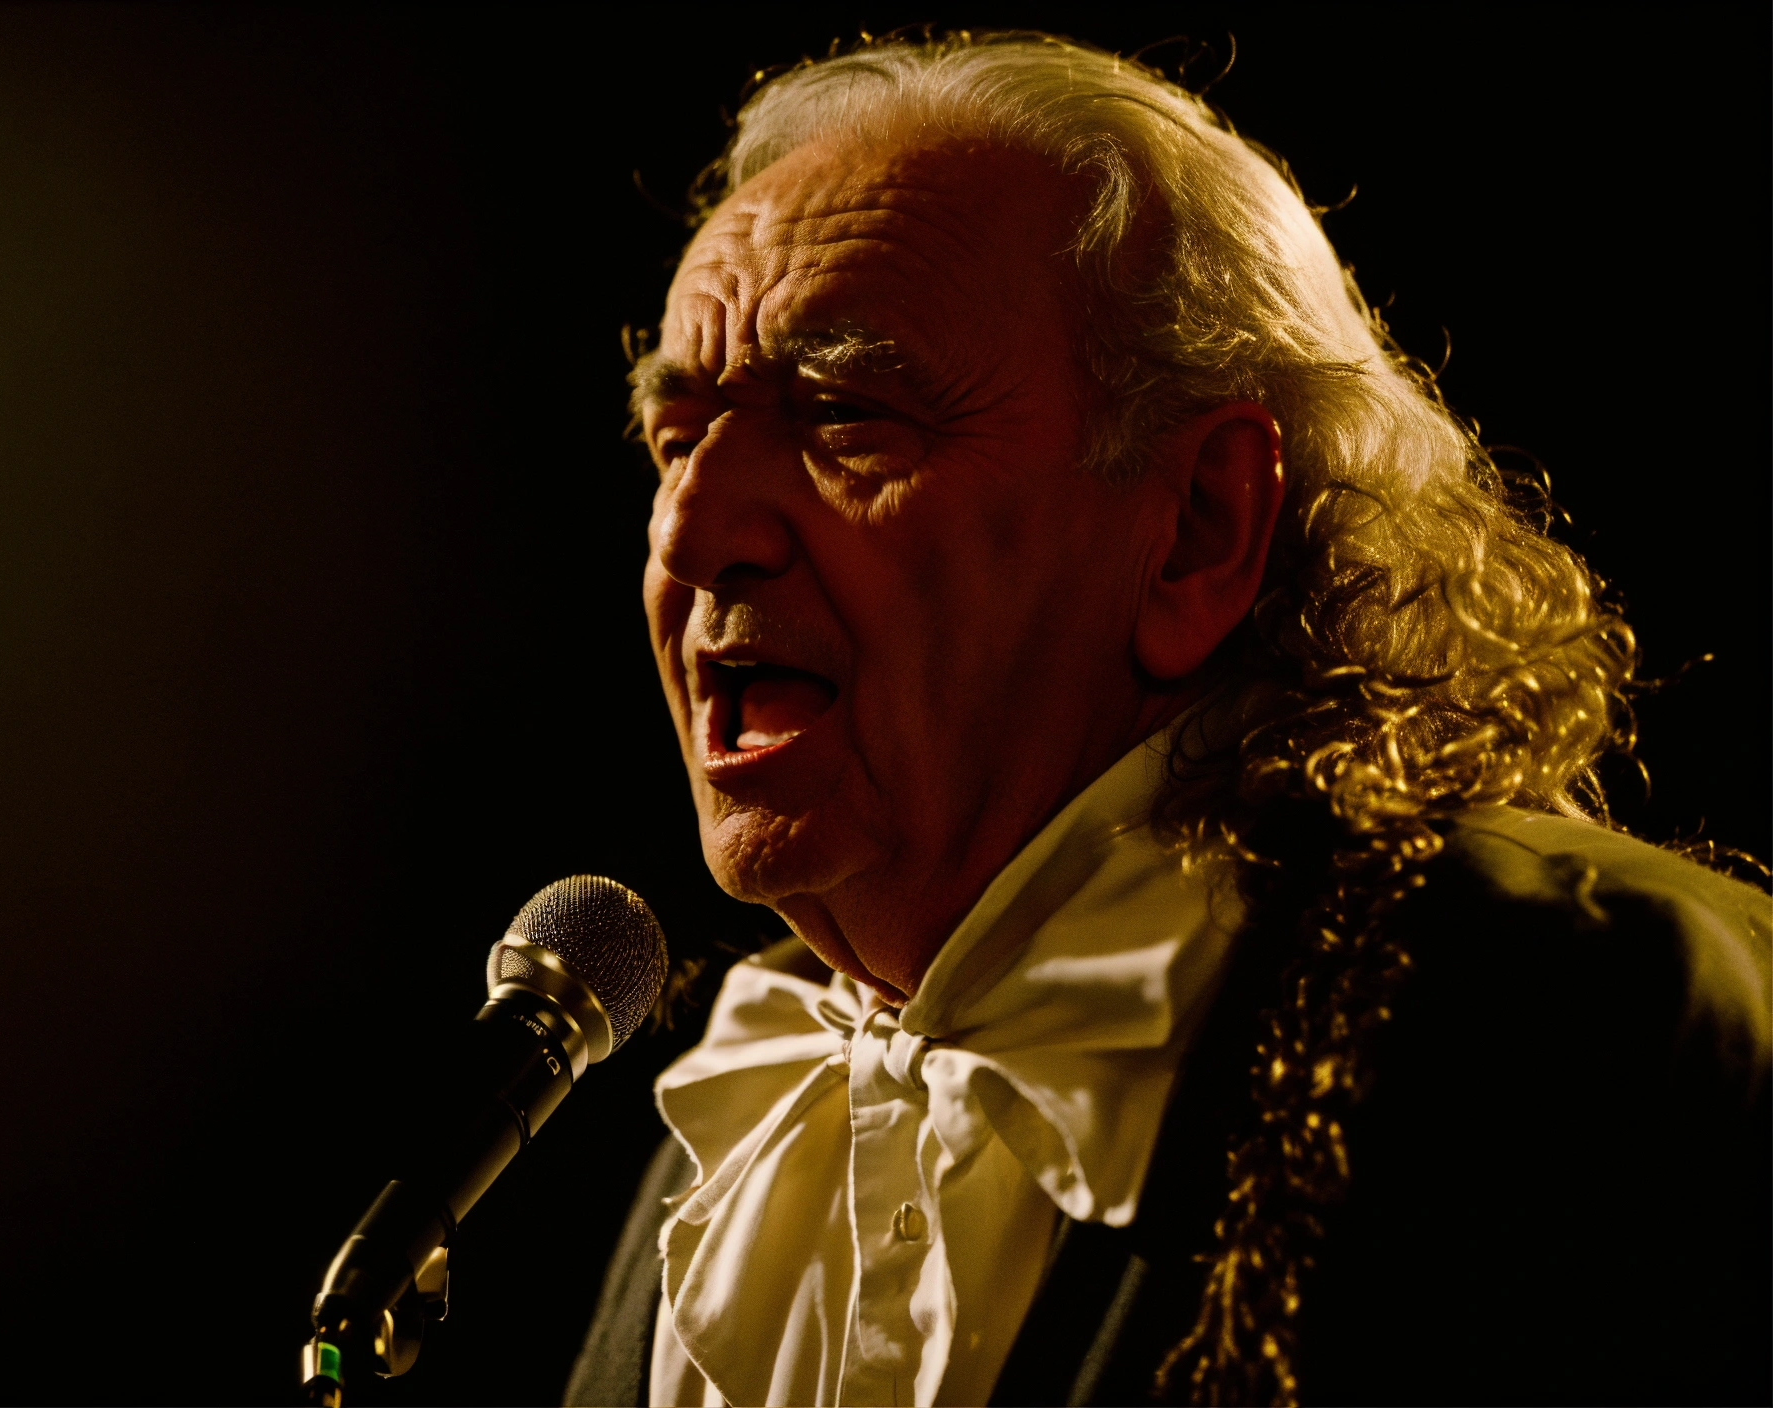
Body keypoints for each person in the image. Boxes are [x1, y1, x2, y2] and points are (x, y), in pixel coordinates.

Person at [562, 30, 1770, 1408]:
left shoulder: (1581, 1017)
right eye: (677, 438)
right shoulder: (722, 1146)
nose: (695, 530)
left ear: (1198, 528)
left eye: (846, 413)